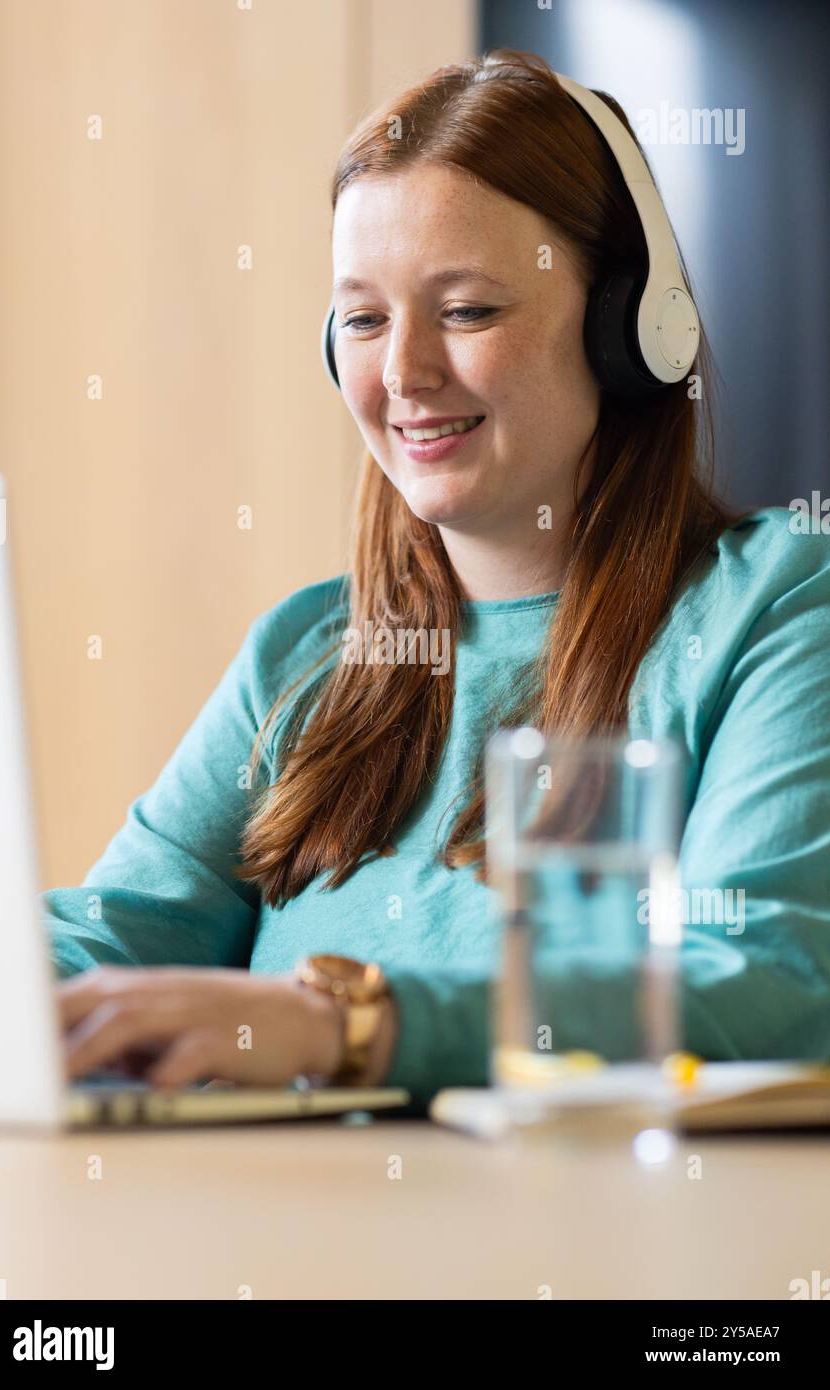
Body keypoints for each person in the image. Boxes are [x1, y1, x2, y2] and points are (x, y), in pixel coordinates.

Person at [45, 50, 830, 1112]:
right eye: (364, 319)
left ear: (630, 329)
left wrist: (348, 1026)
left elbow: (771, 987)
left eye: (466, 311)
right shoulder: (308, 651)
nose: (403, 373)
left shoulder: (775, 603)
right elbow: (110, 936)